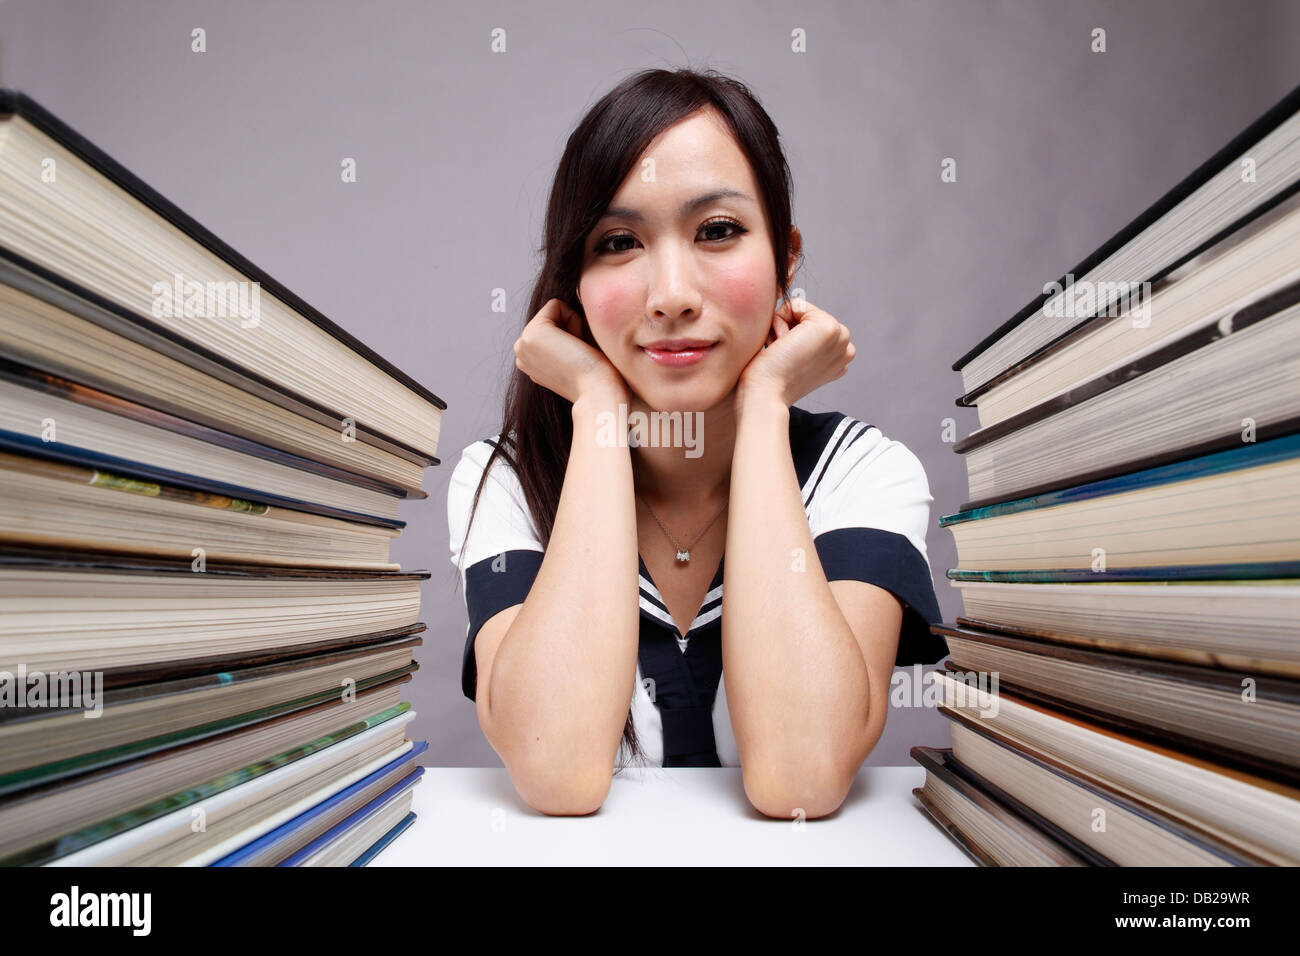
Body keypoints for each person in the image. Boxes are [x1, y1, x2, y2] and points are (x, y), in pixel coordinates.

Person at [447, 67, 946, 819]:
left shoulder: (865, 474)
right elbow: (556, 772)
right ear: (573, 283)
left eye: (717, 231)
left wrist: (767, 405)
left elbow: (802, 781)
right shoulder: (506, 479)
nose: (671, 294)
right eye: (619, 242)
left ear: (786, 260)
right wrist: (595, 407)